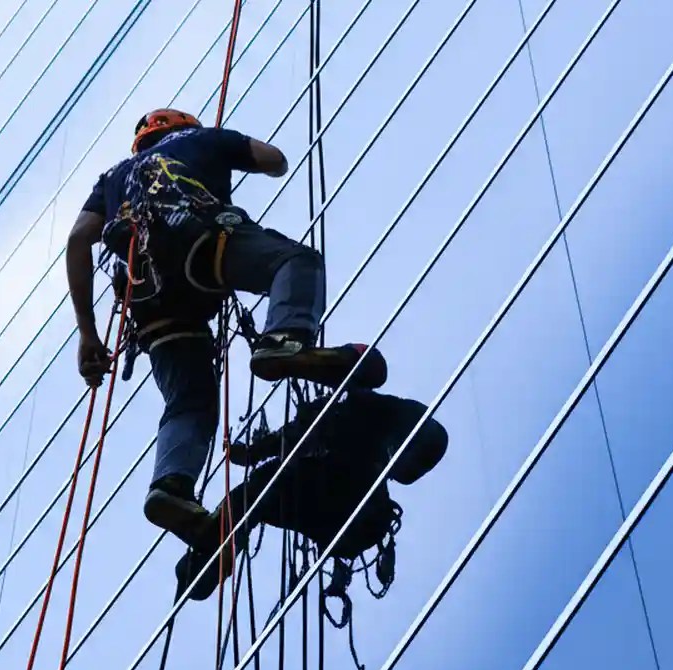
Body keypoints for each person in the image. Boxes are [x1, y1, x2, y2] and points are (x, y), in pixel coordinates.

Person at [65, 108, 382, 546]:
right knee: (295, 262)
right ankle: (283, 340)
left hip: (150, 295)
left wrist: (88, 333)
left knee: (189, 402)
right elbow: (275, 160)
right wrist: (222, 150)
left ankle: (171, 487)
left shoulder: (112, 178)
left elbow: (79, 238)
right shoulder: (203, 139)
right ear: (183, 129)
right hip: (199, 240)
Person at [174, 387, 448, 601]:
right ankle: (216, 547)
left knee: (266, 486)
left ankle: (216, 544)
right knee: (265, 488)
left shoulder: (363, 413)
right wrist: (255, 452)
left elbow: (308, 430)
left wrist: (256, 451)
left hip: (344, 509)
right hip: (342, 514)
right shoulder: (363, 415)